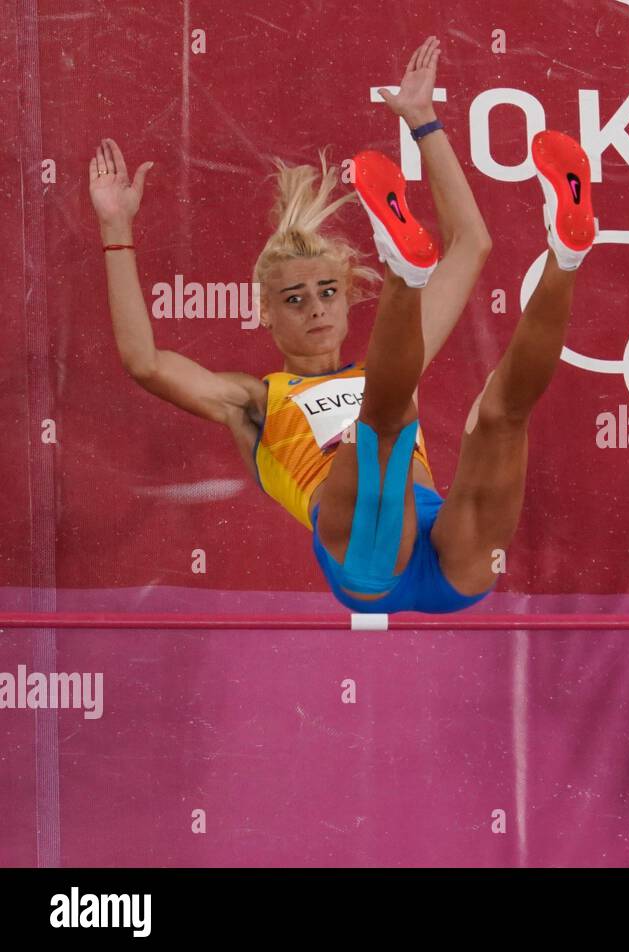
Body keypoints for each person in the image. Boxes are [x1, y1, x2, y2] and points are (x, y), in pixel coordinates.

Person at [89, 35, 597, 612]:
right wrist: (115, 227)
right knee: (382, 419)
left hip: (451, 544)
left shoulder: (393, 362)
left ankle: (567, 255)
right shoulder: (252, 399)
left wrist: (424, 122)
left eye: (328, 292)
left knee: (501, 416)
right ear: (265, 312)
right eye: (295, 298)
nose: (316, 308)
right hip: (367, 557)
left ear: (349, 298)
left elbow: (472, 244)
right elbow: (144, 362)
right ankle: (406, 271)